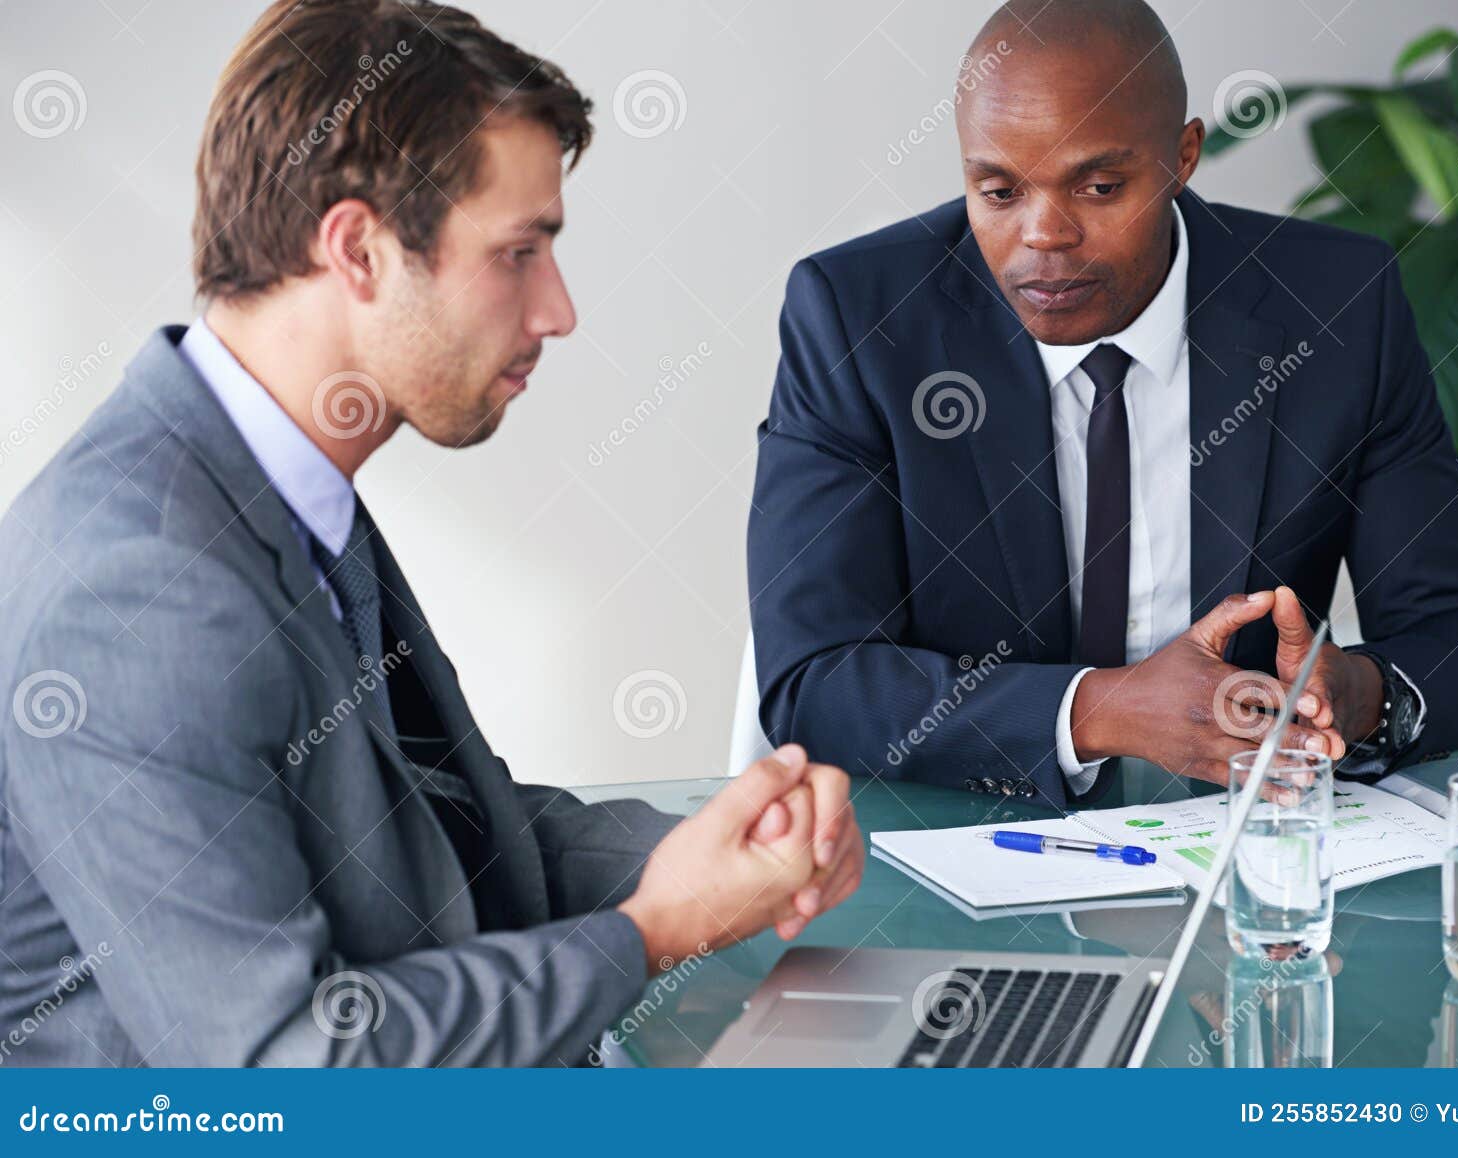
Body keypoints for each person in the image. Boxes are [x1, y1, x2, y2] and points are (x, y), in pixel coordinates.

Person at [0, 0, 861, 1067]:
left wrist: (719, 848)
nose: (558, 311)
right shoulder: (135, 591)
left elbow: (440, 833)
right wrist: (654, 931)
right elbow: (290, 1072)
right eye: (518, 253)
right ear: (359, 249)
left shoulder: (274, 484)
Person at [747, 0, 1458, 809]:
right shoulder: (861, 320)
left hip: (1242, 841)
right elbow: (814, 680)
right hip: (968, 834)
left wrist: (1357, 695)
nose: (1045, 235)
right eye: (1000, 191)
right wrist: (1103, 711)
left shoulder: (1335, 306)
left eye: (1099, 186)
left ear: (1183, 157)